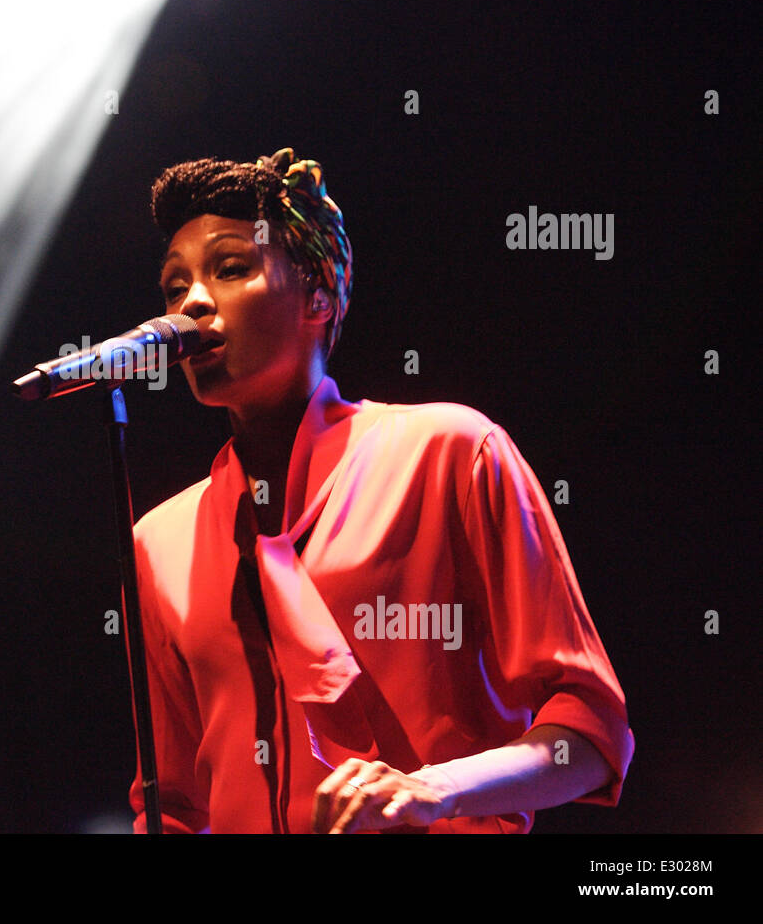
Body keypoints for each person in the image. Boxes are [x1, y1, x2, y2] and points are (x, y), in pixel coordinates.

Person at [127, 147, 634, 834]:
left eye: (232, 267)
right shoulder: (158, 540)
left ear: (319, 293)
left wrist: (436, 788)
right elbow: (176, 807)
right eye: (173, 285)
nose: (190, 301)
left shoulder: (450, 450)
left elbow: (593, 734)